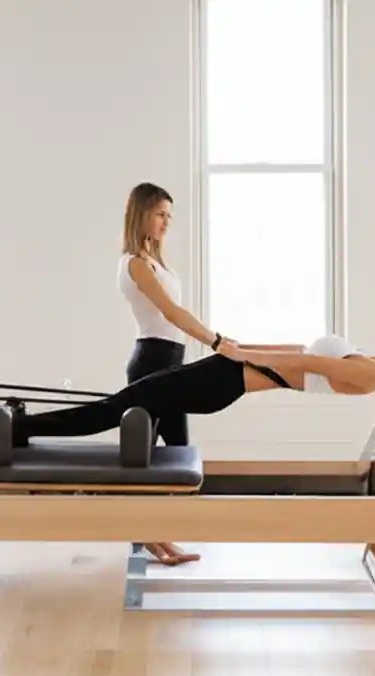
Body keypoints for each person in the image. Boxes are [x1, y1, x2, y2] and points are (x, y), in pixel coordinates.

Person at [6, 324, 375, 447]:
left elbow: (304, 360)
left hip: (223, 382)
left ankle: (20, 430)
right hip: (223, 376)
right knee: (121, 405)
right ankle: (24, 428)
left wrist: (242, 355)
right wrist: (240, 344)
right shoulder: (371, 363)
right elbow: (298, 348)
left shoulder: (373, 373)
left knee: (118, 408)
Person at [116, 182, 231, 565]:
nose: (167, 221)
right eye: (160, 213)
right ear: (141, 214)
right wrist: (216, 341)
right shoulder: (135, 263)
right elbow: (170, 313)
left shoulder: (154, 261)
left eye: (169, 215)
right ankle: (152, 535)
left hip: (169, 360)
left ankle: (158, 534)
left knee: (176, 453)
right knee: (151, 456)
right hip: (152, 361)